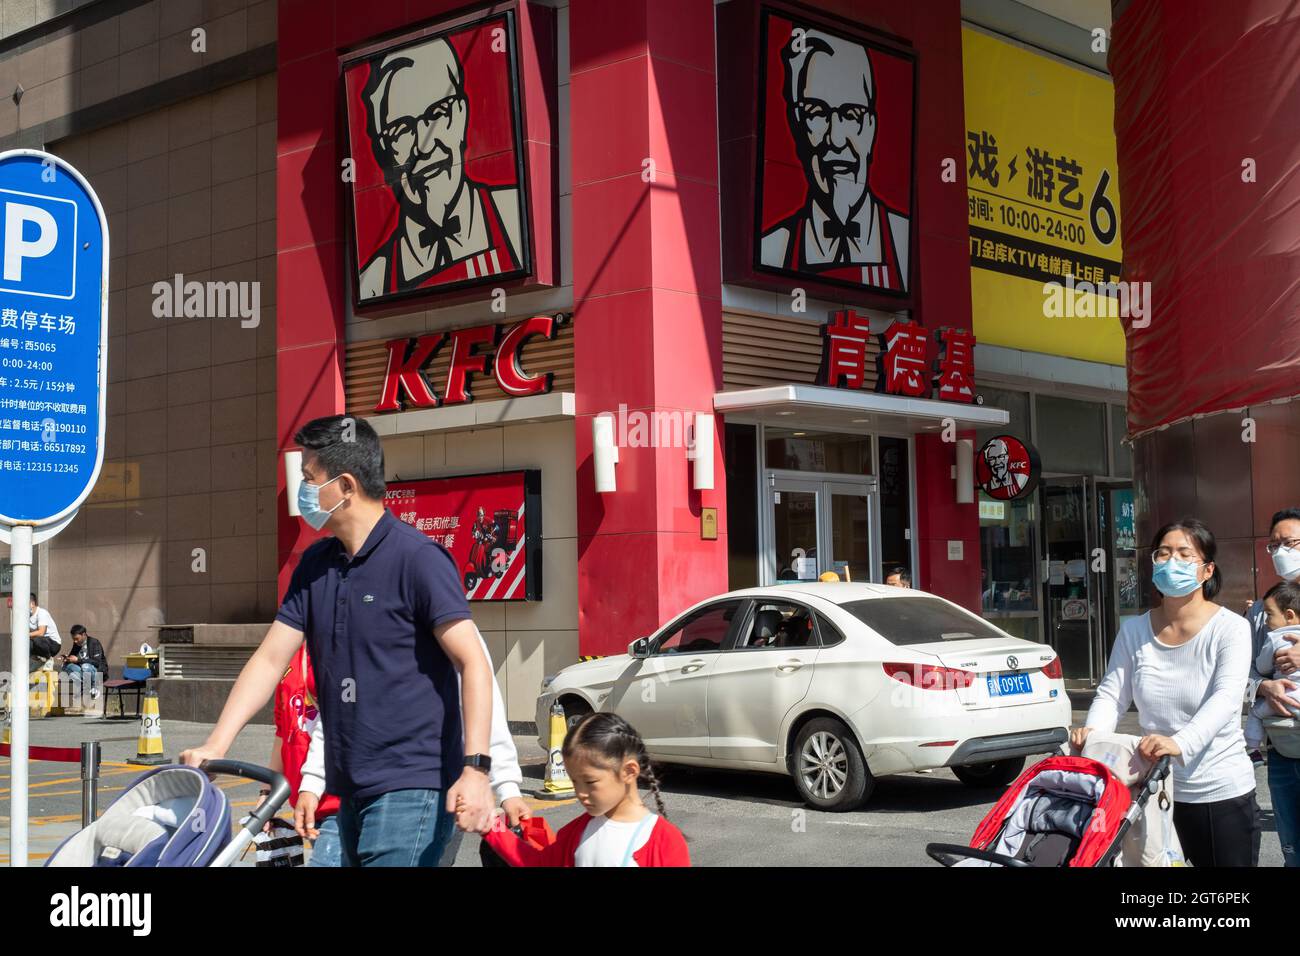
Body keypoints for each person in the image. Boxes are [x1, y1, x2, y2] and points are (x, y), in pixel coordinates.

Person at [181, 414, 497, 866]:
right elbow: (271, 659)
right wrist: (217, 744)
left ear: (345, 486)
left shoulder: (418, 559)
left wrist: (477, 769)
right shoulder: (315, 564)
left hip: (412, 785)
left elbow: (473, 663)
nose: (303, 491)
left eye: (310, 478)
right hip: (347, 787)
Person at [1072, 518, 1259, 867]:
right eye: (1163, 553)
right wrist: (1093, 734)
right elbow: (1112, 694)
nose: (1172, 562)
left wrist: (1180, 742)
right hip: (1151, 791)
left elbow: (1225, 699)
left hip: (1217, 791)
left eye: (1185, 554)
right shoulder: (1134, 630)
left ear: (1207, 570)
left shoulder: (1231, 628)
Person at [295, 624, 531, 867]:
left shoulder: (439, 613)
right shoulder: (354, 620)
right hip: (357, 793)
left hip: (425, 789)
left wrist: (507, 788)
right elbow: (339, 714)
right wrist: (312, 782)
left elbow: (484, 705)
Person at [357, 37, 524, 299]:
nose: (424, 147)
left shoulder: (514, 220)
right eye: (402, 130)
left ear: (461, 115)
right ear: (383, 152)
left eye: (437, 113)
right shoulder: (373, 282)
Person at [759, 28, 910, 291]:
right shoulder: (772, 248)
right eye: (817, 112)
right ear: (797, 124)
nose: (836, 139)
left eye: (851, 114)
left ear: (872, 126)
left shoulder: (903, 240)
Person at [484, 713, 689, 867]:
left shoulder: (664, 840)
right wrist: (491, 827)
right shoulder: (576, 832)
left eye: (590, 782)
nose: (580, 793)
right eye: (574, 782)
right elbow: (537, 862)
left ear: (628, 771)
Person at [1245, 582, 1300, 751]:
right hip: (1278, 738)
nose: (1266, 621)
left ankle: (1252, 748)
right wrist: (1263, 687)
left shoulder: (1275, 637)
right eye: (1272, 552)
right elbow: (1241, 673)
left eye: (1269, 615)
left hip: (1287, 696)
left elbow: (1262, 666)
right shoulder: (1256, 611)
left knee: (1255, 713)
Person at [59, 624, 106, 704]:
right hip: (83, 673)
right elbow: (72, 657)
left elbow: (97, 662)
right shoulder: (76, 644)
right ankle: (85, 686)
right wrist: (67, 659)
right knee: (66, 667)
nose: (75, 641)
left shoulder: (94, 642)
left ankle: (95, 687)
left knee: (85, 666)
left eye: (77, 639)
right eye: (73, 639)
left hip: (96, 672)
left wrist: (78, 660)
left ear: (84, 635)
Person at [27, 593, 60, 671]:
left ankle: (49, 659)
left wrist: (25, 635)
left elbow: (41, 632)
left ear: (32, 603)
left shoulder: (41, 613)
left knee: (37, 639)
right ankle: (39, 661)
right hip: (40, 643)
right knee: (24, 643)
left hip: (53, 644)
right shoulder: (27, 616)